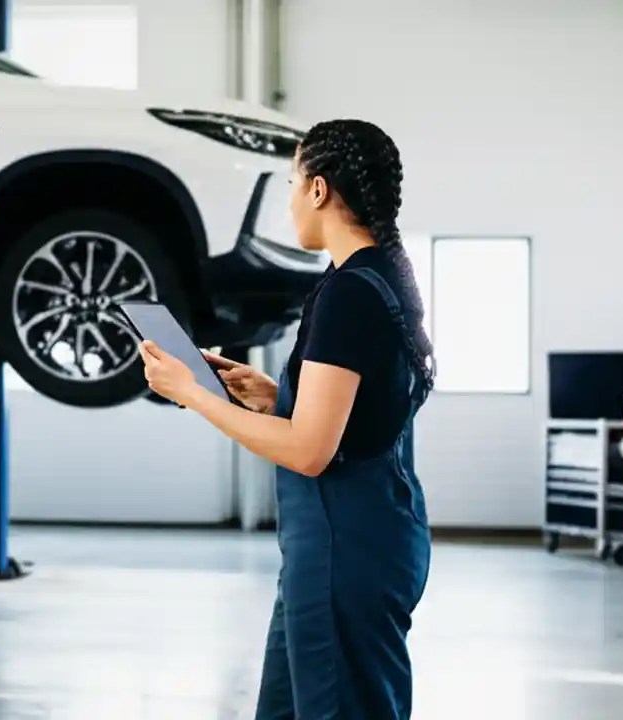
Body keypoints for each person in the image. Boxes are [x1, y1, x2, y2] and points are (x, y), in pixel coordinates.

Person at [138, 119, 434, 720]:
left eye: (296, 182)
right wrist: (277, 396)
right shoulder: (376, 277)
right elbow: (361, 410)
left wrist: (193, 395)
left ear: (320, 190)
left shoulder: (350, 293)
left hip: (342, 554)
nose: (292, 198)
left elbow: (308, 452)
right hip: (357, 543)